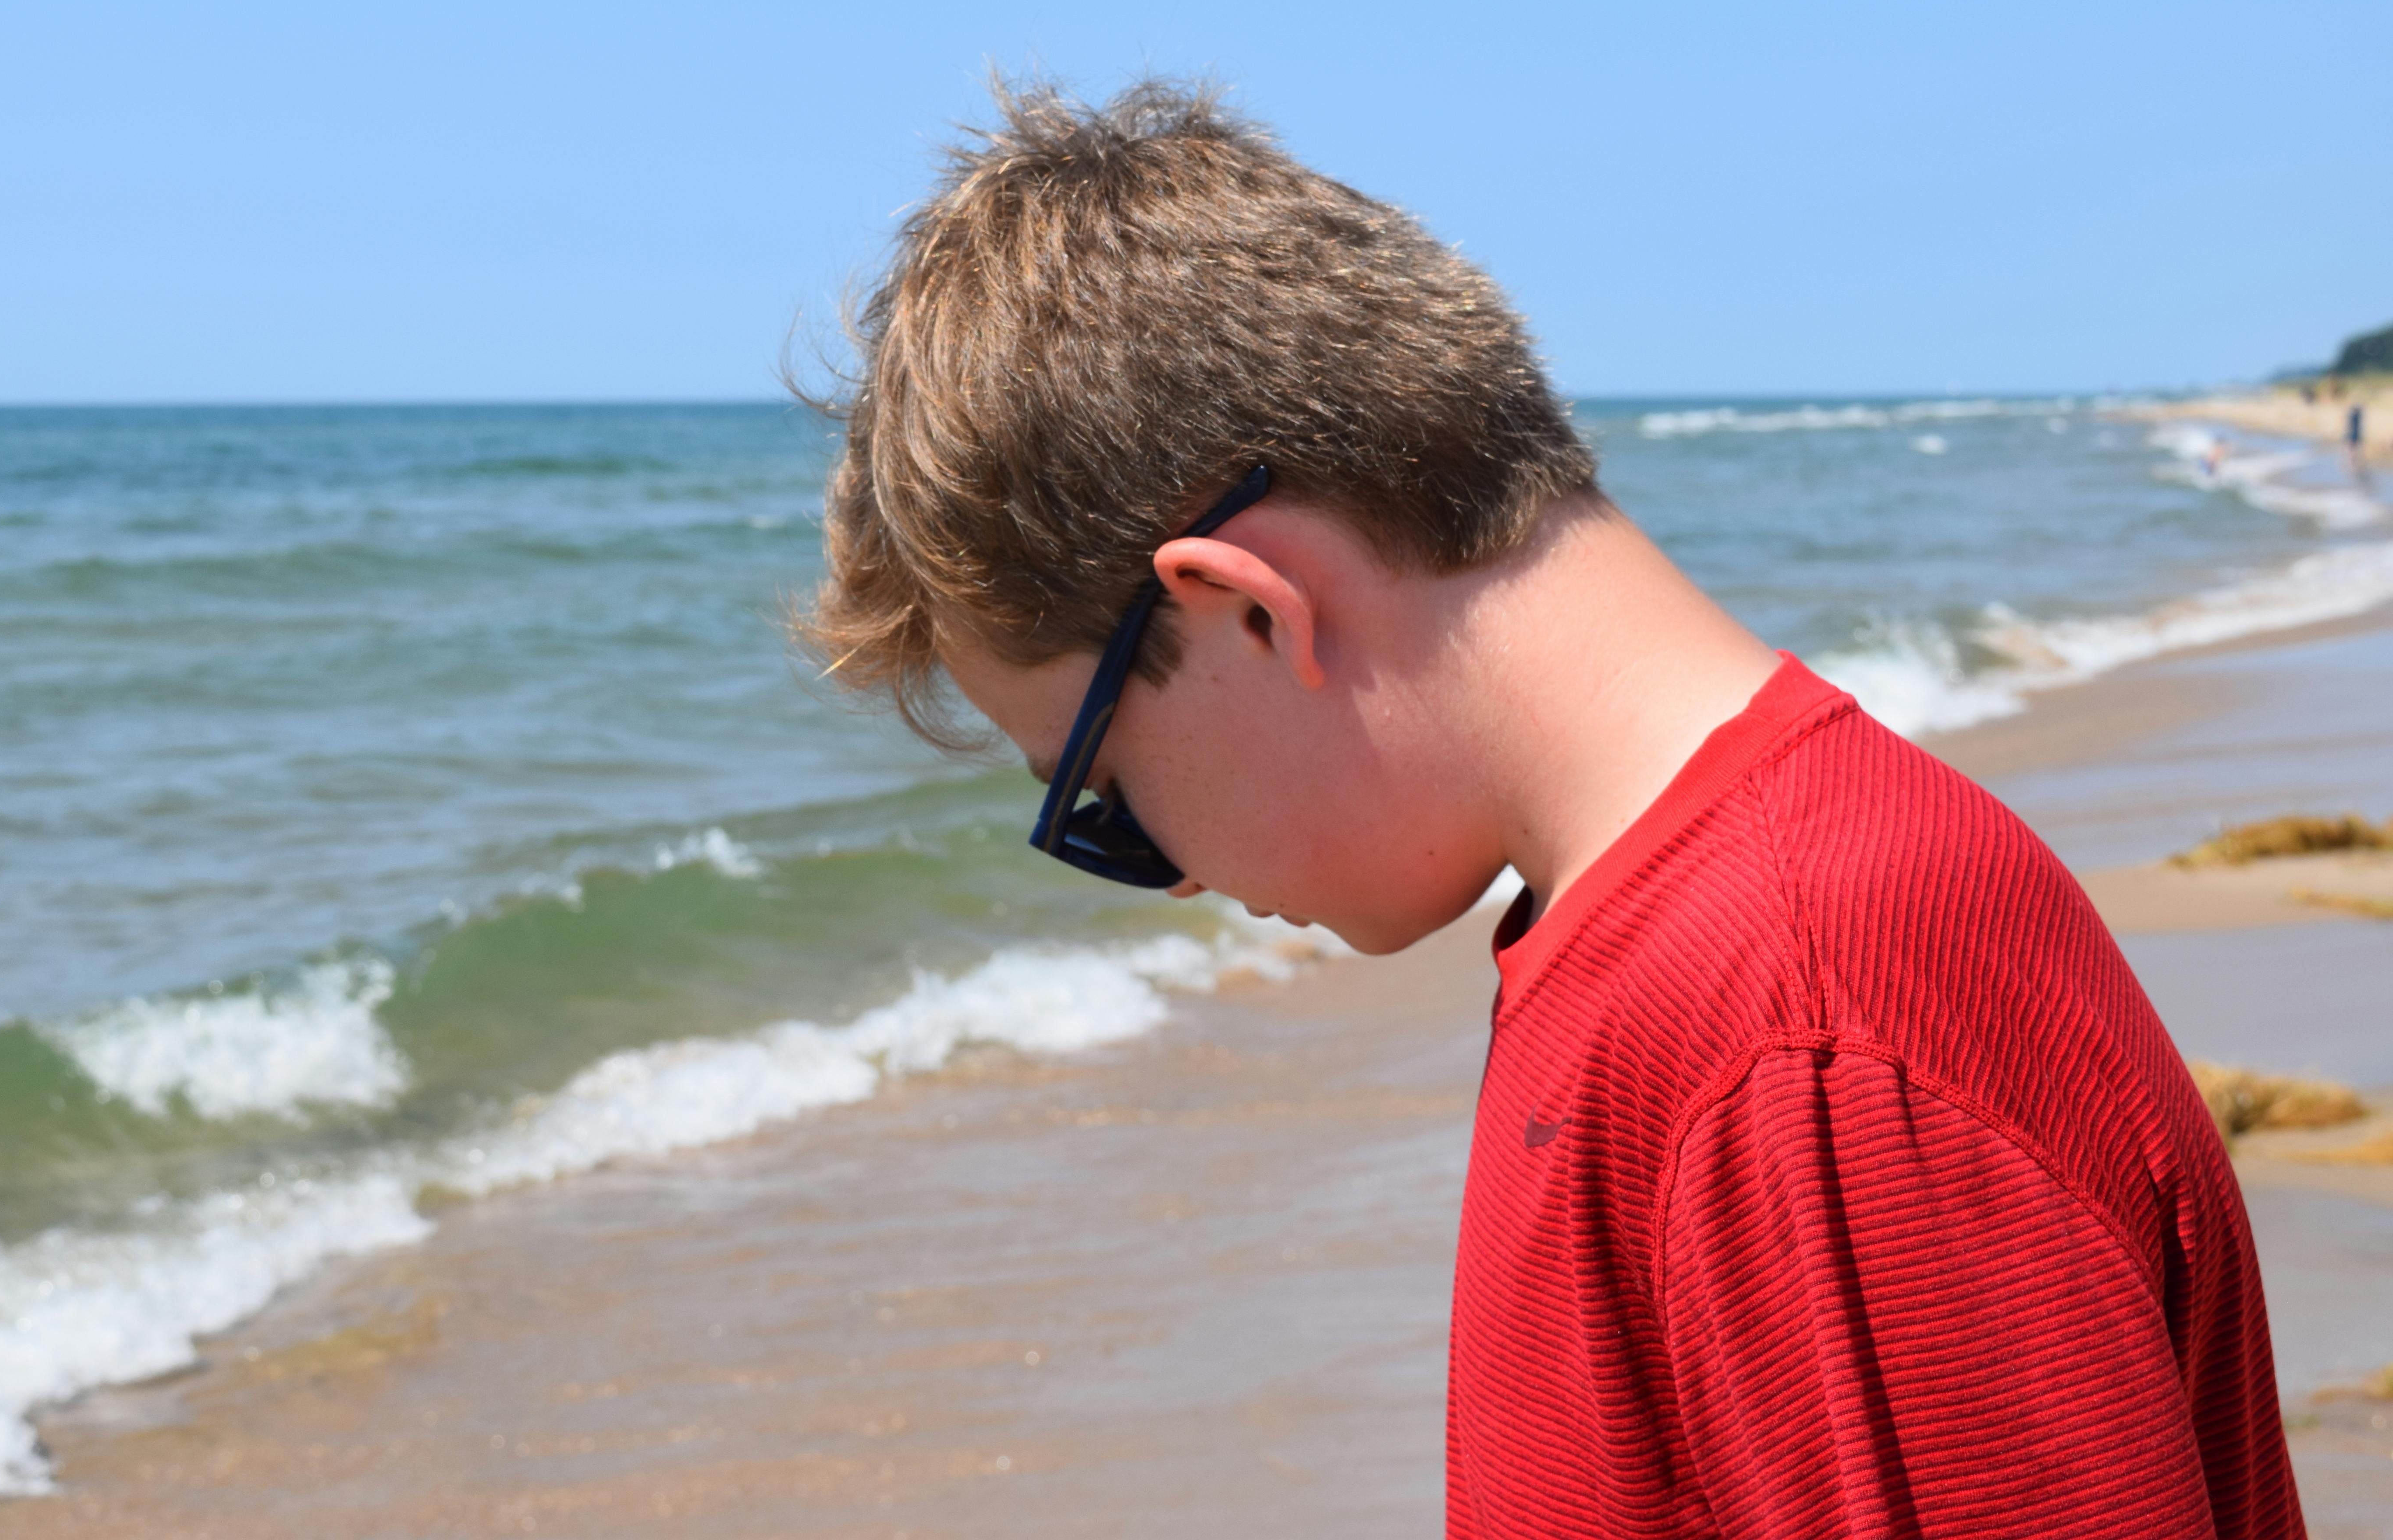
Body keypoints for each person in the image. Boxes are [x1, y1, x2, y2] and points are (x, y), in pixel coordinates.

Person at [800, 79, 2302, 1538]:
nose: (1168, 875)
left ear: (1250, 612)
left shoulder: (1799, 1049)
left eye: (1102, 800)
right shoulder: (1713, 942)